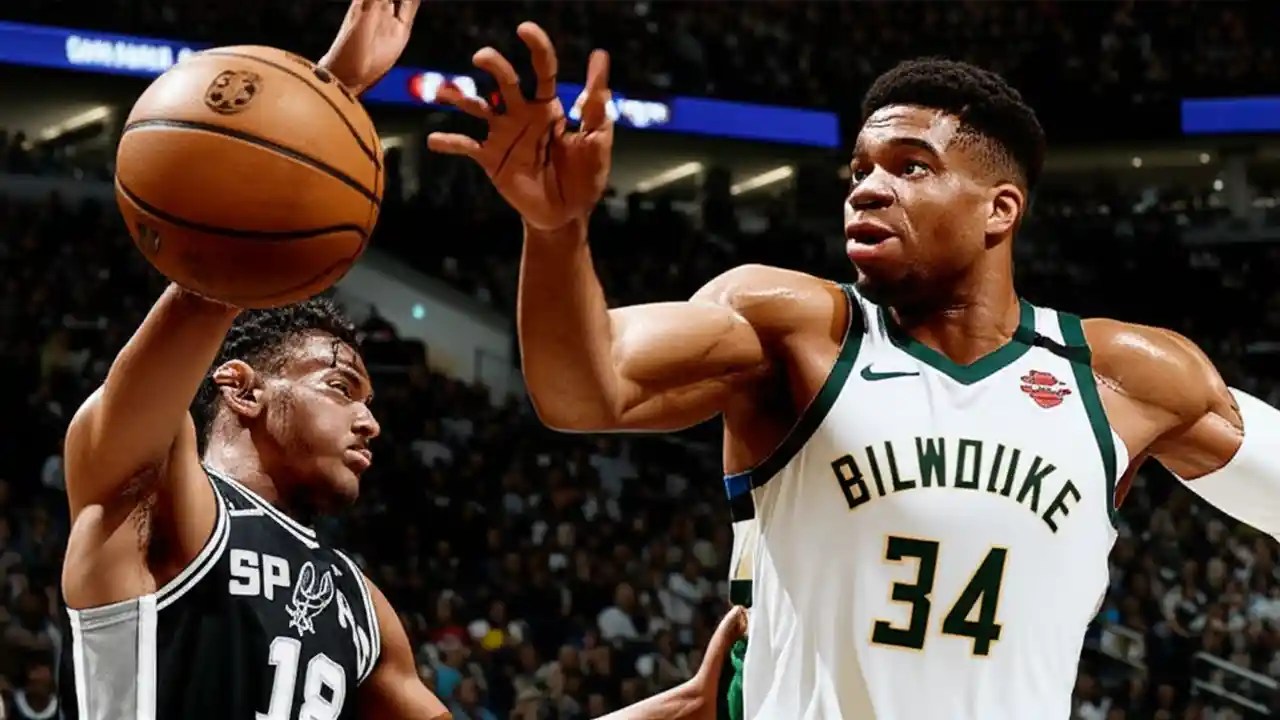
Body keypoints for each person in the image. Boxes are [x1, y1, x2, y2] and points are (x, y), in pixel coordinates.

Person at [427, 22, 1280, 720]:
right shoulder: (789, 328)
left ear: (1000, 210)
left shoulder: (1127, 377)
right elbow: (585, 389)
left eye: (911, 167)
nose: (867, 189)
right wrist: (555, 232)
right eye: (860, 170)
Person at [57, 4, 744, 720]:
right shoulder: (155, 498)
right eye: (340, 386)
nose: (369, 423)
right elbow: (200, 292)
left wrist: (688, 705)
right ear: (241, 388)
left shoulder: (360, 608)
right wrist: (327, 92)